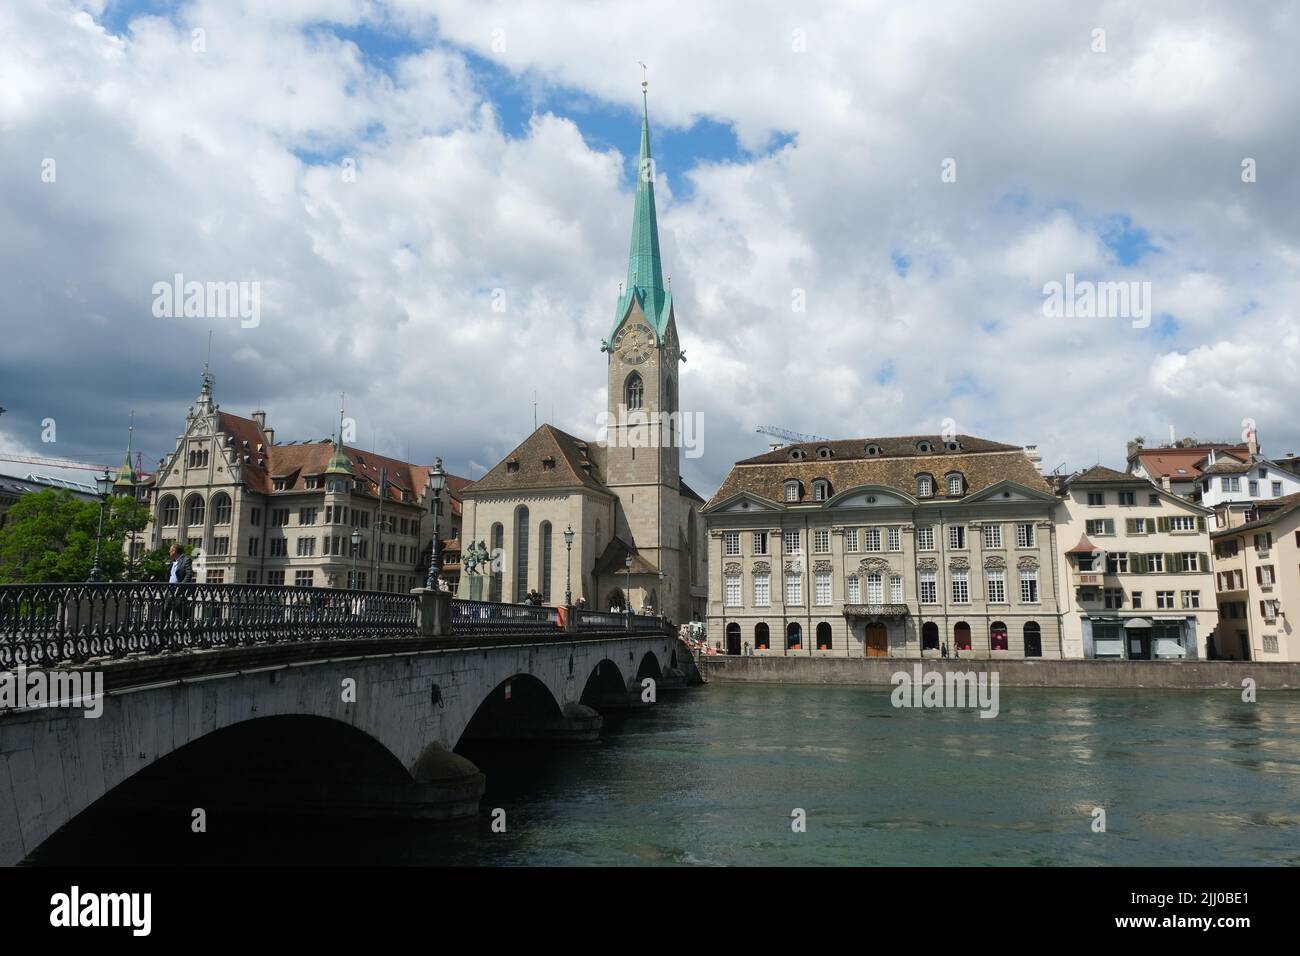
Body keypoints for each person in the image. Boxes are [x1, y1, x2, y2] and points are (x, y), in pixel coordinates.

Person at [161, 544, 194, 625]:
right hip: (170, 589)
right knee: (166, 609)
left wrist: (180, 586)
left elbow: (189, 574)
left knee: (180, 611)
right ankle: (165, 630)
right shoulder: (172, 562)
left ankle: (189, 630)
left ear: (175, 551)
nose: (169, 551)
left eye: (170, 550)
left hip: (179, 589)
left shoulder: (186, 560)